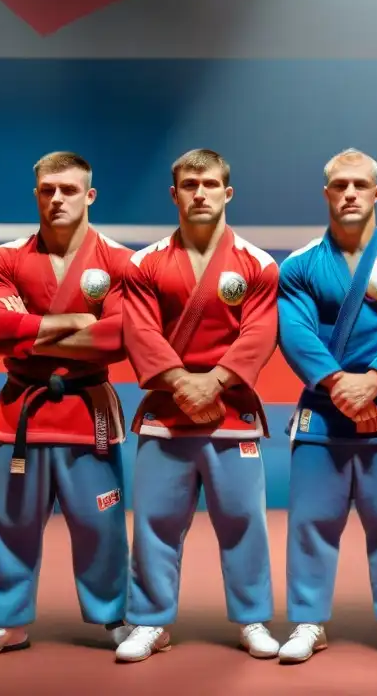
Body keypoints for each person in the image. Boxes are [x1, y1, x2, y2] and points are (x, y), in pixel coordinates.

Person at [0, 151, 132, 661]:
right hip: (23, 411)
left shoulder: (120, 261)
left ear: (89, 195)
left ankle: (114, 616)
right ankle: (3, 622)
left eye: (69, 190)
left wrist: (30, 332)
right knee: (10, 522)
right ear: (36, 194)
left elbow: (119, 338)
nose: (57, 198)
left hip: (88, 412)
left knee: (101, 525)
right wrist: (79, 320)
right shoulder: (4, 259)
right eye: (47, 190)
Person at [116, 149, 281, 663]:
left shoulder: (258, 264)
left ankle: (252, 618)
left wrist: (214, 383)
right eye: (190, 184)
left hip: (232, 414)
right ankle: (148, 622)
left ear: (228, 193)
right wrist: (185, 384)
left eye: (210, 184)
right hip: (168, 415)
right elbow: (139, 332)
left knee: (244, 521)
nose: (200, 193)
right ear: (175, 194)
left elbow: (259, 333)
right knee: (155, 522)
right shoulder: (144, 264)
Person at [276, 148, 377, 664]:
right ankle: (306, 622)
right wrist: (339, 384)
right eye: (339, 185)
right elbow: (295, 333)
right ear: (326, 193)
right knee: (311, 523)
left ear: (376, 193)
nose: (349, 194)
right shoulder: (299, 266)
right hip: (322, 414)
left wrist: (375, 382)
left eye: (359, 185)